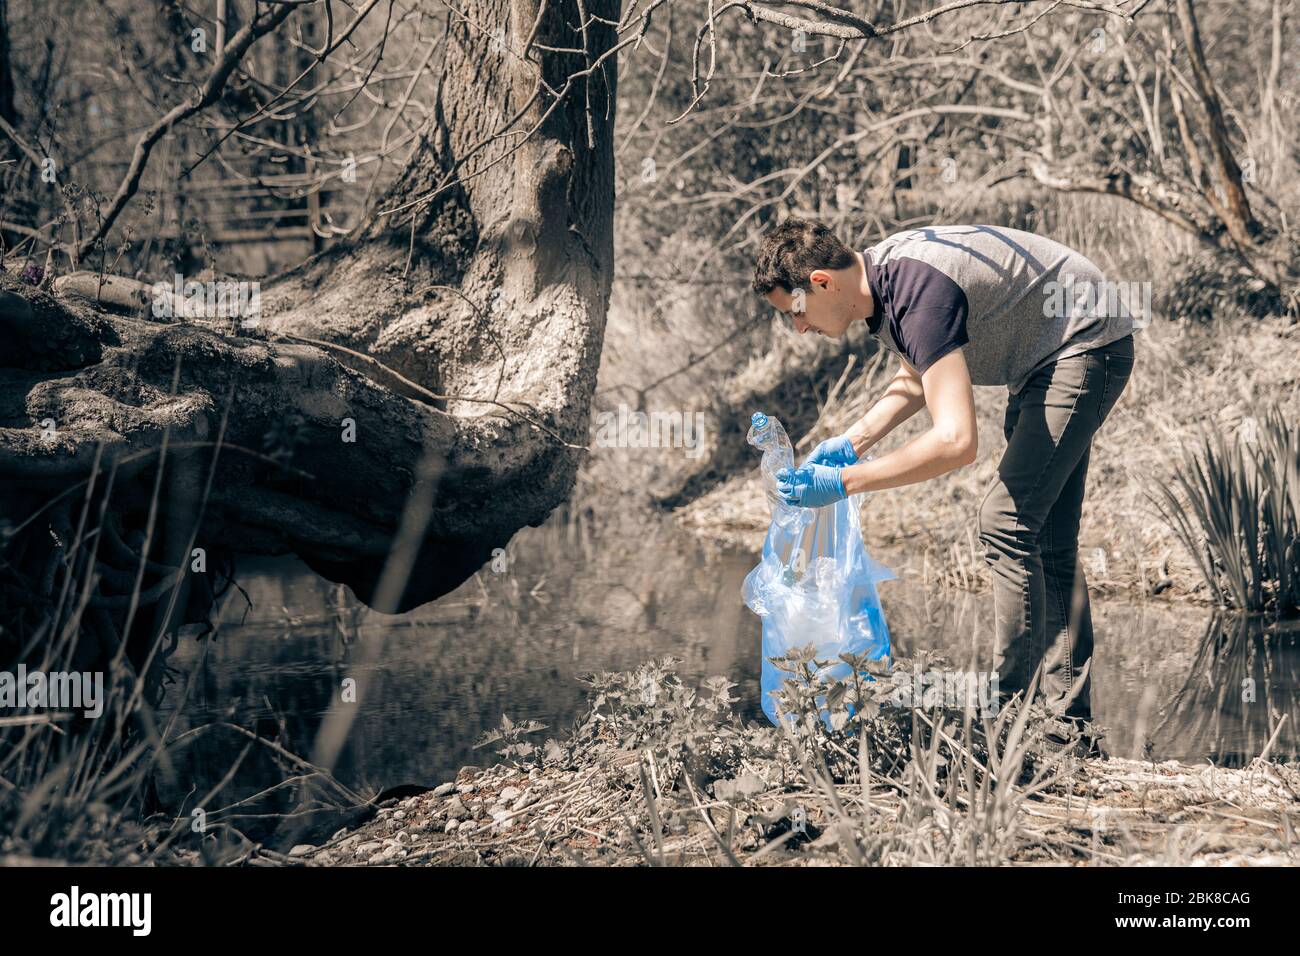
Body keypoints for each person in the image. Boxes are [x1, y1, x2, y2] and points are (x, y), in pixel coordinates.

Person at [751, 218, 1138, 757]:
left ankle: (1012, 717)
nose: (797, 328)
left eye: (794, 312)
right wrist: (853, 441)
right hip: (1046, 357)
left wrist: (842, 482)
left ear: (821, 283)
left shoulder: (916, 291)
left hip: (1083, 342)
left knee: (1005, 523)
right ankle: (1070, 733)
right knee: (1044, 535)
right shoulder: (883, 288)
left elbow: (956, 441)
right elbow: (918, 377)